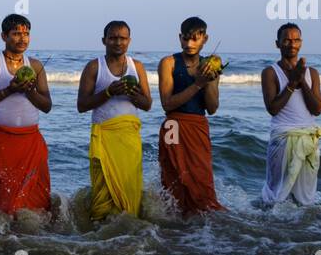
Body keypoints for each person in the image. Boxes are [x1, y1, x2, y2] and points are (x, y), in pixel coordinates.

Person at [0, 14, 53, 214]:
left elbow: (46, 106)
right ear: (4, 36)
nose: (22, 39)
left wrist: (29, 91)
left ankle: (31, 236)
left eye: (26, 34)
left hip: (31, 140)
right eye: (16, 34)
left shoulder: (34, 66)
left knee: (37, 199)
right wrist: (9, 89)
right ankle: (1, 237)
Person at [76, 20, 152, 218]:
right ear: (104, 40)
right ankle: (100, 233)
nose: (118, 42)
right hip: (104, 139)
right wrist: (108, 92)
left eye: (123, 38)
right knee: (102, 193)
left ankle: (127, 231)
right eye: (113, 38)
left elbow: (147, 104)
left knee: (129, 189)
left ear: (129, 41)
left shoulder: (138, 67)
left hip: (129, 140)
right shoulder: (94, 67)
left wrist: (134, 95)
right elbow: (82, 105)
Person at [157, 16, 223, 215]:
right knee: (173, 176)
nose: (189, 44)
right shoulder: (168, 63)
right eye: (185, 39)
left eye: (195, 39)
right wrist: (198, 84)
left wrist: (210, 81)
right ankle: (173, 220)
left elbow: (212, 108)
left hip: (198, 125)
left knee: (201, 176)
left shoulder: (210, 66)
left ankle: (201, 221)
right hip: (173, 125)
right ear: (179, 38)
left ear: (205, 39)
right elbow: (167, 104)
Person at [260, 23, 321, 205]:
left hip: (309, 139)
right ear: (278, 44)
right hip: (283, 138)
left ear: (301, 43)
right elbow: (273, 108)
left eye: (296, 40)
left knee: (306, 199)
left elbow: (318, 109)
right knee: (276, 195)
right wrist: (291, 83)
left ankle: (301, 231)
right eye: (287, 40)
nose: (292, 44)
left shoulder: (312, 73)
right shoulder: (270, 73)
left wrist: (302, 81)